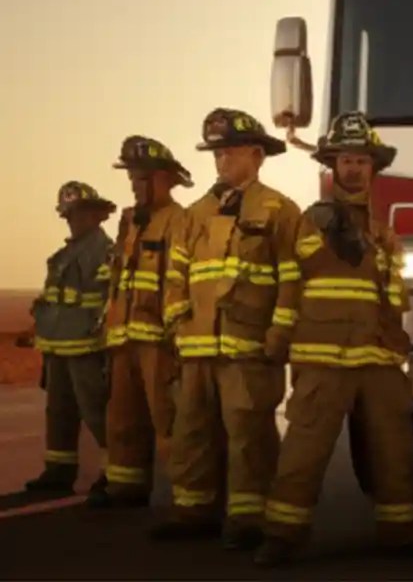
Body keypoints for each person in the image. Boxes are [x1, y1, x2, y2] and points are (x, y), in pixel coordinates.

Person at [255, 112, 413, 566]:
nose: (354, 168)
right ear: (332, 167)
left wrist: (398, 338)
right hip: (324, 356)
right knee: (304, 449)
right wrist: (279, 336)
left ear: (372, 168)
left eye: (361, 160)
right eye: (345, 160)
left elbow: (395, 297)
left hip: (378, 357)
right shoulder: (310, 221)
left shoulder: (384, 234)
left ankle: (402, 532)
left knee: (395, 450)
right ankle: (282, 535)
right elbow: (290, 282)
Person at [152, 109, 302, 549]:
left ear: (257, 155)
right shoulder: (195, 213)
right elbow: (175, 276)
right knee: (191, 432)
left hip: (249, 346)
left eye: (231, 152)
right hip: (197, 346)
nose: (221, 162)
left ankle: (248, 519)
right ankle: (193, 511)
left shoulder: (279, 210)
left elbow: (291, 278)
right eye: (217, 153)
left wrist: (280, 333)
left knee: (248, 433)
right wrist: (177, 324)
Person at [93, 136, 192, 508]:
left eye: (145, 178)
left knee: (168, 420)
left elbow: (180, 281)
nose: (137, 186)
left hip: (158, 341)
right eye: (134, 179)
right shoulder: (129, 221)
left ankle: (188, 499)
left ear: (168, 179)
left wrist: (175, 335)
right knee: (120, 419)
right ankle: (125, 486)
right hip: (122, 337)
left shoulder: (180, 220)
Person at [25, 182, 114, 497]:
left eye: (79, 213)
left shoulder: (105, 253)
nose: (73, 220)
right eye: (69, 214)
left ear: (96, 215)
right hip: (57, 347)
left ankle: (115, 473)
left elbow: (109, 300)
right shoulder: (62, 256)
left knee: (96, 412)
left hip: (87, 348)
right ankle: (58, 473)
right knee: (59, 412)